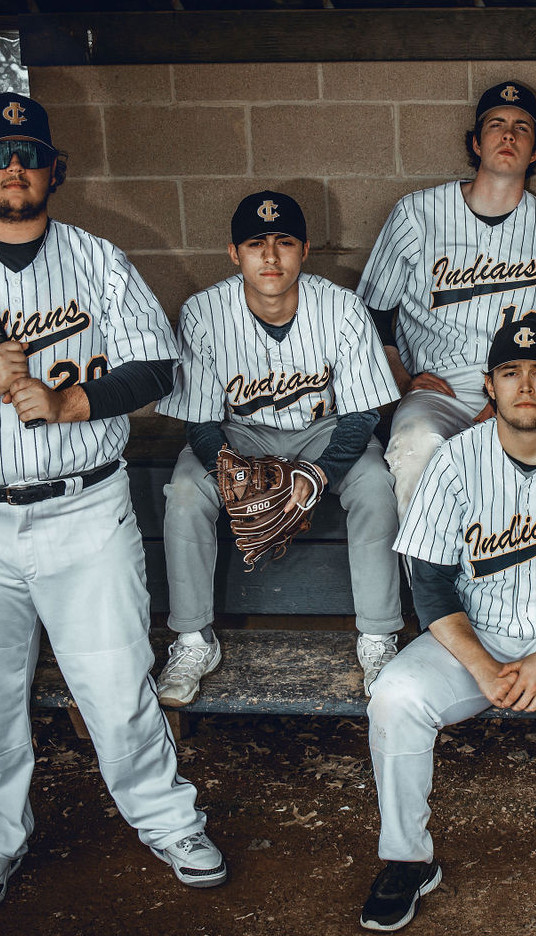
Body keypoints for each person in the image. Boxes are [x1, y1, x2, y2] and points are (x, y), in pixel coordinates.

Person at [0, 92, 226, 913]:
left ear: (56, 169)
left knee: (117, 684)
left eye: (28, 154)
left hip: (84, 510)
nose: (13, 166)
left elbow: (156, 365)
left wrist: (70, 403)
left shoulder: (97, 259)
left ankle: (168, 821)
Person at [359, 320, 536, 933]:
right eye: (510, 373)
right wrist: (483, 668)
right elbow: (430, 582)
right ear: (489, 386)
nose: (525, 385)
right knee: (394, 695)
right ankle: (407, 860)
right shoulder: (453, 460)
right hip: (476, 635)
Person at [155, 191, 404, 703]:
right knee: (184, 491)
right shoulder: (203, 313)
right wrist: (230, 473)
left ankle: (378, 637)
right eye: (255, 244)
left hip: (323, 432)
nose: (270, 256)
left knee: (376, 484)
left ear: (305, 249)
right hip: (240, 435)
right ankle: (194, 640)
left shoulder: (342, 307)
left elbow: (362, 414)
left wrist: (320, 473)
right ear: (234, 253)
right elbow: (200, 419)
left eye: (284, 242)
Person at [357, 80, 536, 515]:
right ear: (477, 143)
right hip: (444, 387)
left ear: (535, 152)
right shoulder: (415, 215)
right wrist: (401, 380)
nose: (508, 134)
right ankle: (426, 562)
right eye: (496, 124)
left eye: (521, 127)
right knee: (415, 443)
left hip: (534, 382)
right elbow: (373, 312)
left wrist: (507, 403)